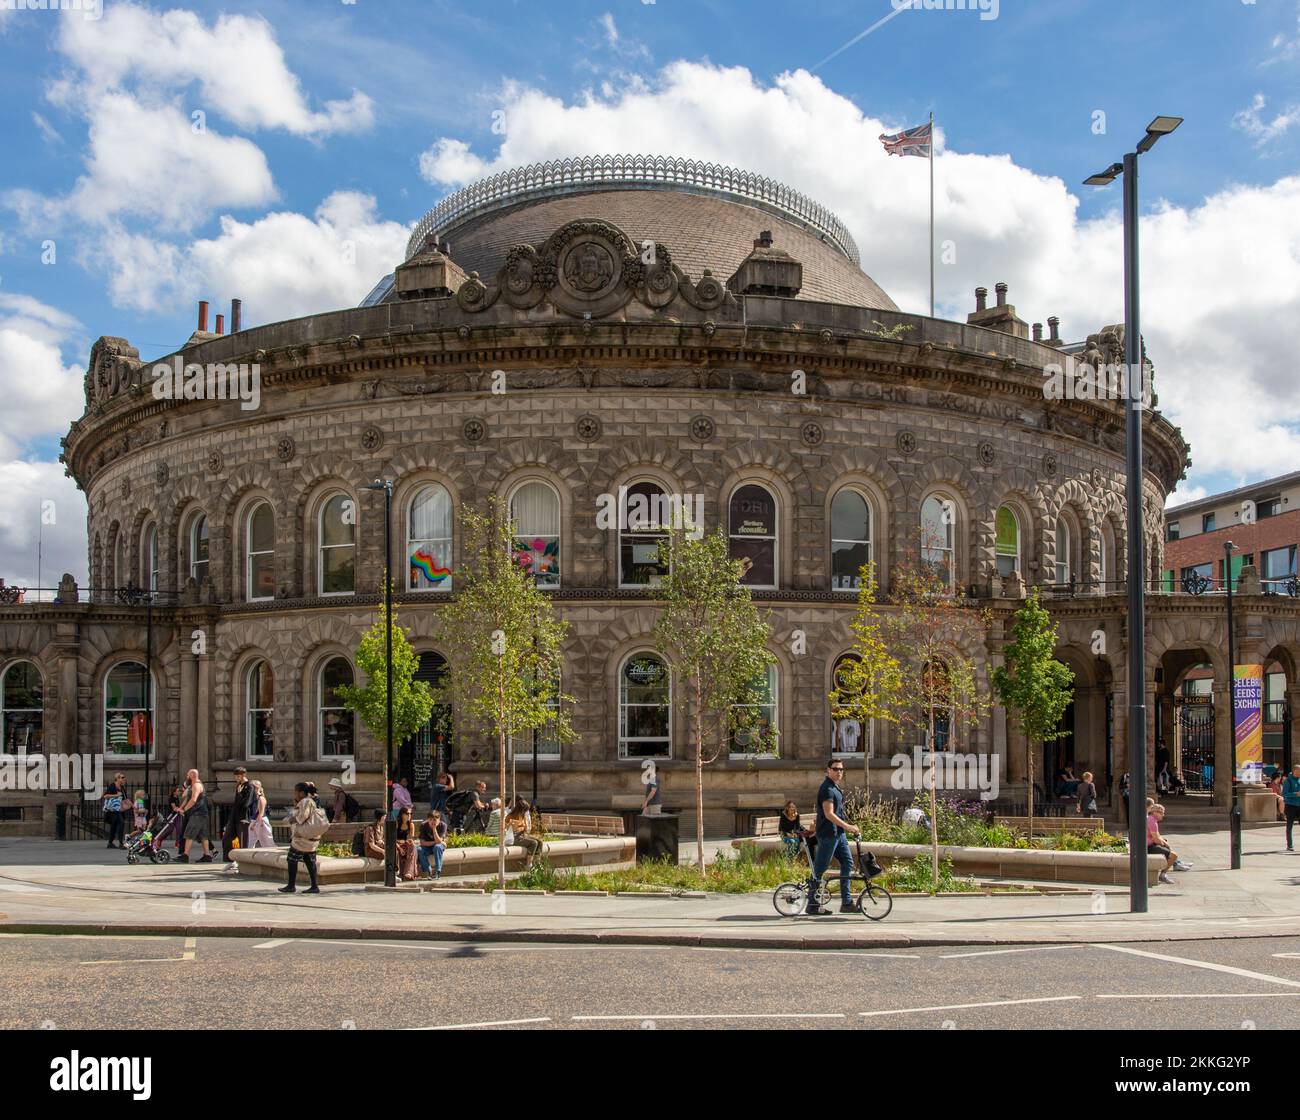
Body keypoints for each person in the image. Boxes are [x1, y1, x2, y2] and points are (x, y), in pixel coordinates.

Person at [805, 759, 861, 915]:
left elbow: (836, 812)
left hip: (839, 835)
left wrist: (847, 826)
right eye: (835, 769)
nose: (839, 772)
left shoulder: (835, 788)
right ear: (828, 770)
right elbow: (829, 814)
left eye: (841, 769)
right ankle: (812, 904)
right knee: (820, 868)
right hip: (829, 834)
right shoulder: (827, 789)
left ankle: (847, 903)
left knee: (848, 863)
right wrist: (849, 827)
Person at [279, 782, 322, 894]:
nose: (295, 794)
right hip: (311, 837)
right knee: (309, 860)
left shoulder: (305, 801)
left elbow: (302, 816)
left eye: (296, 792)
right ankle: (314, 886)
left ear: (301, 793)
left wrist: (292, 819)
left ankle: (291, 885)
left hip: (303, 838)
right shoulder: (310, 801)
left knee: (292, 859)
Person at [1147, 803, 1190, 884]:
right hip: (1147, 846)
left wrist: (1164, 842)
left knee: (1167, 847)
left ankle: (1176, 864)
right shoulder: (1152, 821)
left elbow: (1157, 836)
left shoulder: (1151, 819)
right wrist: (1165, 845)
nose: (1163, 815)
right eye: (1162, 813)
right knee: (1173, 855)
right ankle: (1163, 875)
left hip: (1148, 844)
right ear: (1155, 812)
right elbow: (1156, 839)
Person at [177, 769, 213, 863]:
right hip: (201, 813)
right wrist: (180, 808)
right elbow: (187, 798)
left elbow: (193, 800)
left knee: (189, 833)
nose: (187, 777)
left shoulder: (196, 785)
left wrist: (184, 810)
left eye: (188, 775)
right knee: (203, 835)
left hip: (198, 813)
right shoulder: (192, 786)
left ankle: (185, 855)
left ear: (192, 775)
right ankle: (207, 855)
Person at [222, 765, 255, 860]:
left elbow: (246, 803)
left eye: (238, 776)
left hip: (243, 818)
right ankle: (228, 858)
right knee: (227, 838)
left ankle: (243, 860)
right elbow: (236, 803)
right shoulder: (239, 786)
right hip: (234, 817)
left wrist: (240, 794)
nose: (236, 778)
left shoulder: (250, 787)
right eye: (235, 776)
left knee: (243, 841)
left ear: (243, 775)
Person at [505, 798, 542, 869]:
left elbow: (524, 828)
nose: (525, 812)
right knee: (533, 843)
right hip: (514, 838)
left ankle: (538, 862)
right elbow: (504, 828)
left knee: (540, 842)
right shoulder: (510, 816)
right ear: (520, 809)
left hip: (522, 835)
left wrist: (525, 827)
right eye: (524, 810)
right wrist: (510, 825)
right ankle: (529, 864)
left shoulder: (522, 816)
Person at [418, 809, 447, 879]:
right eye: (430, 819)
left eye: (435, 819)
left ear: (439, 819)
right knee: (419, 849)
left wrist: (434, 829)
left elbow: (439, 843)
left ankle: (437, 872)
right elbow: (422, 842)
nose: (432, 821)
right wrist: (435, 842)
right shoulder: (423, 825)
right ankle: (428, 871)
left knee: (437, 847)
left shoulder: (442, 825)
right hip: (428, 846)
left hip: (438, 847)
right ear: (428, 819)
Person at [102, 772, 128, 850]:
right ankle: (121, 843)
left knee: (114, 826)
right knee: (121, 823)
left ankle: (110, 843)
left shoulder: (122, 787)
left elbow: (125, 799)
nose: (124, 779)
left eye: (124, 777)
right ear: (117, 778)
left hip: (119, 810)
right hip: (112, 810)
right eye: (122, 777)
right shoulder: (112, 786)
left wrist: (132, 806)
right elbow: (105, 796)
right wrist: (116, 795)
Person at [246, 780, 274, 849]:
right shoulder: (253, 798)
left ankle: (272, 856)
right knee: (249, 842)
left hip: (261, 822)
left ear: (256, 787)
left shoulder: (261, 798)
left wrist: (254, 824)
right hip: (254, 821)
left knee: (267, 843)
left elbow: (261, 814)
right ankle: (248, 857)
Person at [393, 806, 419, 881]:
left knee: (413, 846)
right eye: (407, 813)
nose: (409, 815)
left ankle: (408, 872)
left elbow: (410, 839)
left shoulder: (411, 825)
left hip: (405, 844)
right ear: (402, 814)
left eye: (410, 814)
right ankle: (399, 873)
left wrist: (409, 841)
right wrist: (398, 845)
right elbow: (392, 838)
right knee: (398, 850)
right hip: (396, 844)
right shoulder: (396, 823)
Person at [1282, 765, 1300, 851]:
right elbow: (1284, 794)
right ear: (1294, 771)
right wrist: (1295, 794)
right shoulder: (1288, 781)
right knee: (1289, 826)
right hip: (1290, 806)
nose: (1299, 773)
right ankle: (1290, 845)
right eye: (1298, 771)